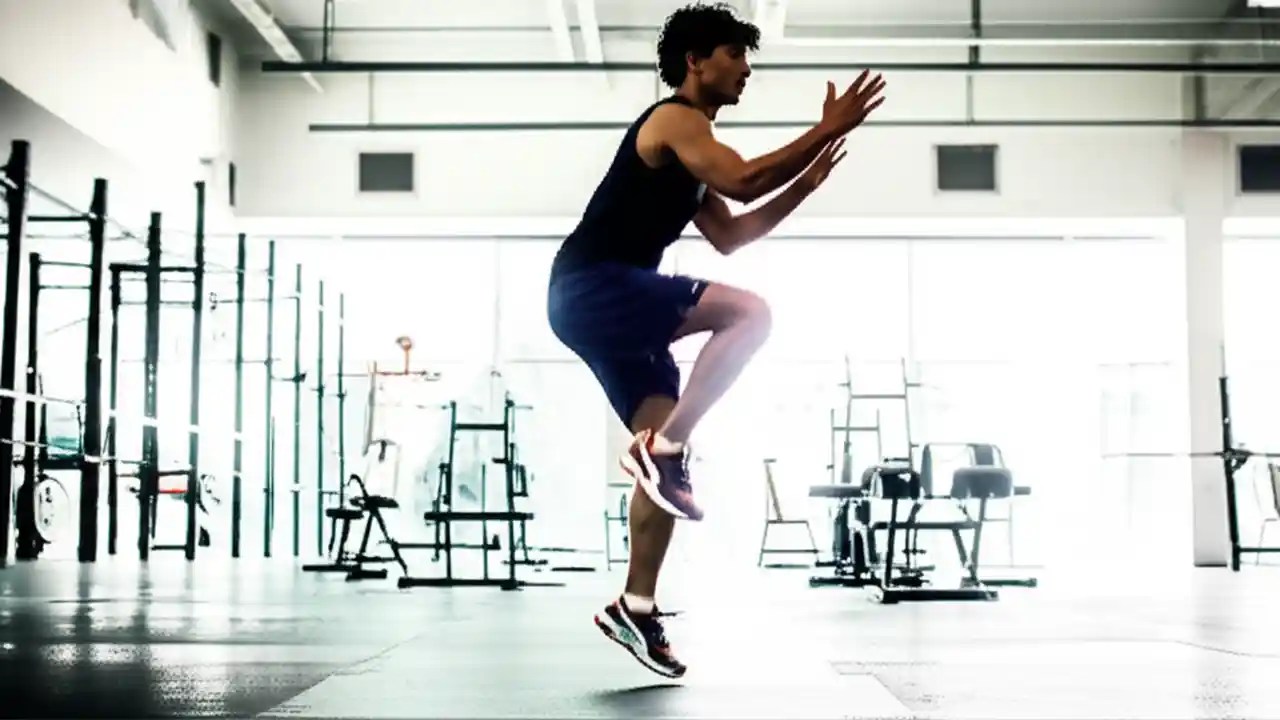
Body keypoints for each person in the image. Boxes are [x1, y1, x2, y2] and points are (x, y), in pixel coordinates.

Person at [545, 1, 886, 679]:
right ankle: (665, 452)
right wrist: (826, 129)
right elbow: (744, 175)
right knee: (750, 315)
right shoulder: (676, 120)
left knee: (663, 465)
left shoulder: (690, 160)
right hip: (596, 285)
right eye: (734, 55)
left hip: (598, 303)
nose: (745, 69)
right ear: (695, 61)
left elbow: (735, 233)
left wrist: (808, 184)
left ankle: (636, 606)